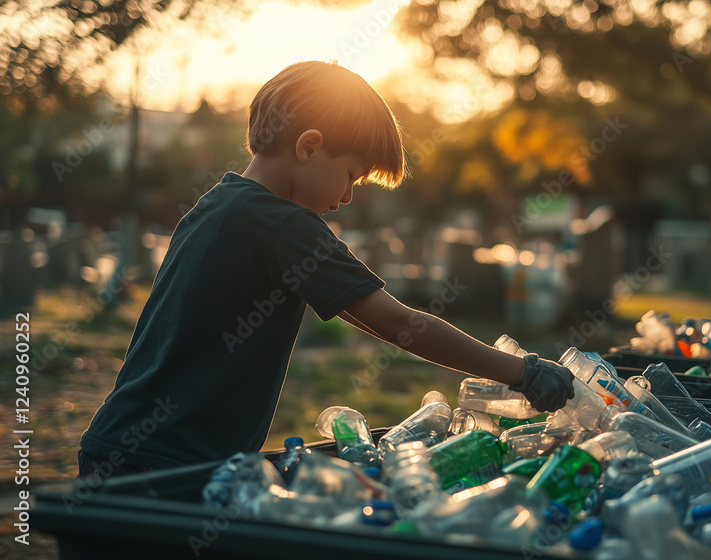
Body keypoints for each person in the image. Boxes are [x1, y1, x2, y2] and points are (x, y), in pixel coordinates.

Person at [77, 60, 574, 480]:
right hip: (170, 465)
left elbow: (366, 316)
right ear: (308, 146)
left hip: (129, 447)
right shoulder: (282, 225)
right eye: (351, 175)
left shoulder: (217, 205)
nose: (349, 195)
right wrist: (520, 372)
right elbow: (399, 324)